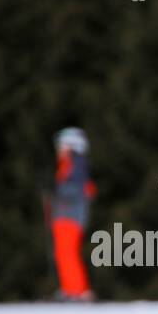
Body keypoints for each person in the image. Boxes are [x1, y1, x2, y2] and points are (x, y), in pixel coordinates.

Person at [50, 127, 96, 301]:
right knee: (63, 252)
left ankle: (78, 290)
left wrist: (55, 190)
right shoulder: (70, 165)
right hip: (65, 214)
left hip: (70, 216)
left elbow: (77, 190)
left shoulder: (75, 165)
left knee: (68, 252)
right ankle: (70, 288)